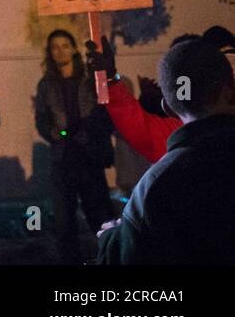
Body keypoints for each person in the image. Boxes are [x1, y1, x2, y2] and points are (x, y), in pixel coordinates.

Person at [98, 37, 235, 264]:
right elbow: (136, 123)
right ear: (229, 89)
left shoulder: (157, 183)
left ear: (168, 106)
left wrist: (112, 241)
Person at [87, 26, 234, 164]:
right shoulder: (190, 132)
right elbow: (141, 129)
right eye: (222, 65)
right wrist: (110, 81)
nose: (231, 73)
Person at [34, 29, 115, 263]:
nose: (60, 51)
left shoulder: (89, 79)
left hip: (89, 157)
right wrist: (54, 134)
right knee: (64, 222)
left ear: (73, 48)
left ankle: (111, 257)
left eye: (65, 45)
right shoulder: (46, 84)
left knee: (100, 215)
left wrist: (90, 134)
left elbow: (104, 113)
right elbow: (41, 119)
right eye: (55, 47)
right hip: (62, 159)